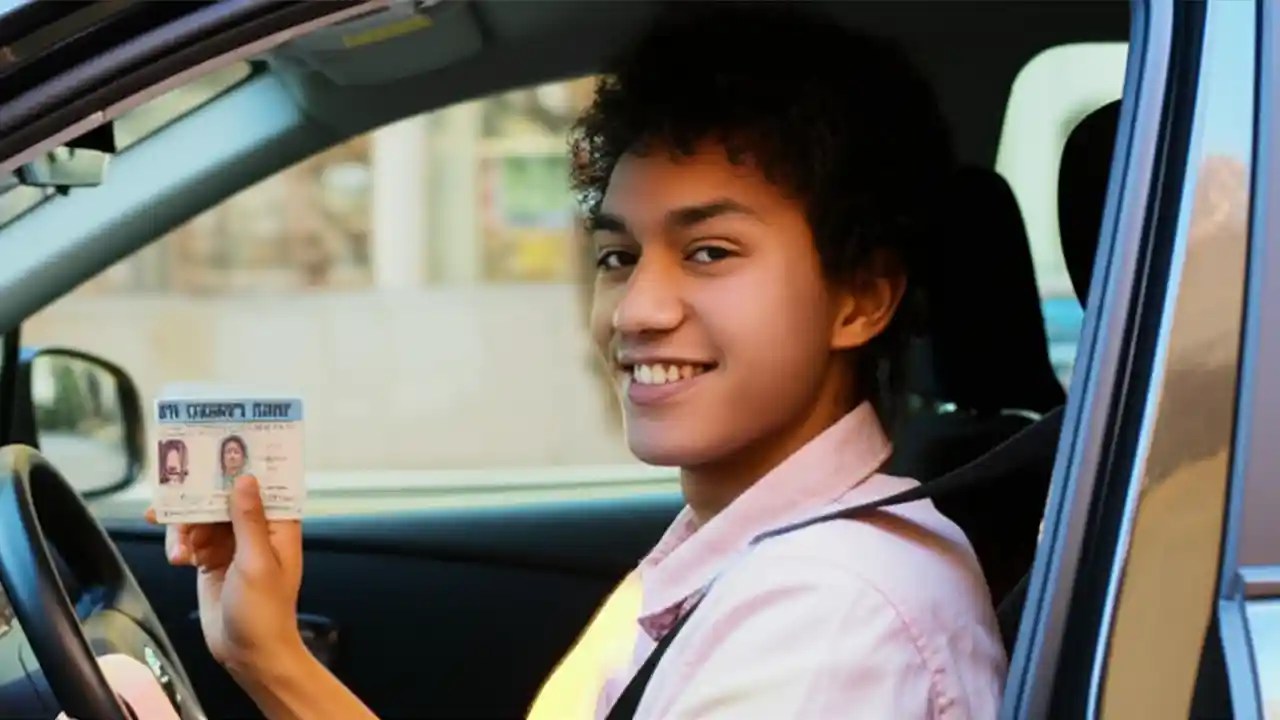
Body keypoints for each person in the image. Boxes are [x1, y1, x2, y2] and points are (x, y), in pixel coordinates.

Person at [153, 4, 1005, 719]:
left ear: (859, 300)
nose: (636, 309)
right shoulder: (743, 554)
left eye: (709, 252)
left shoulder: (831, 617)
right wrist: (269, 657)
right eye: (617, 257)